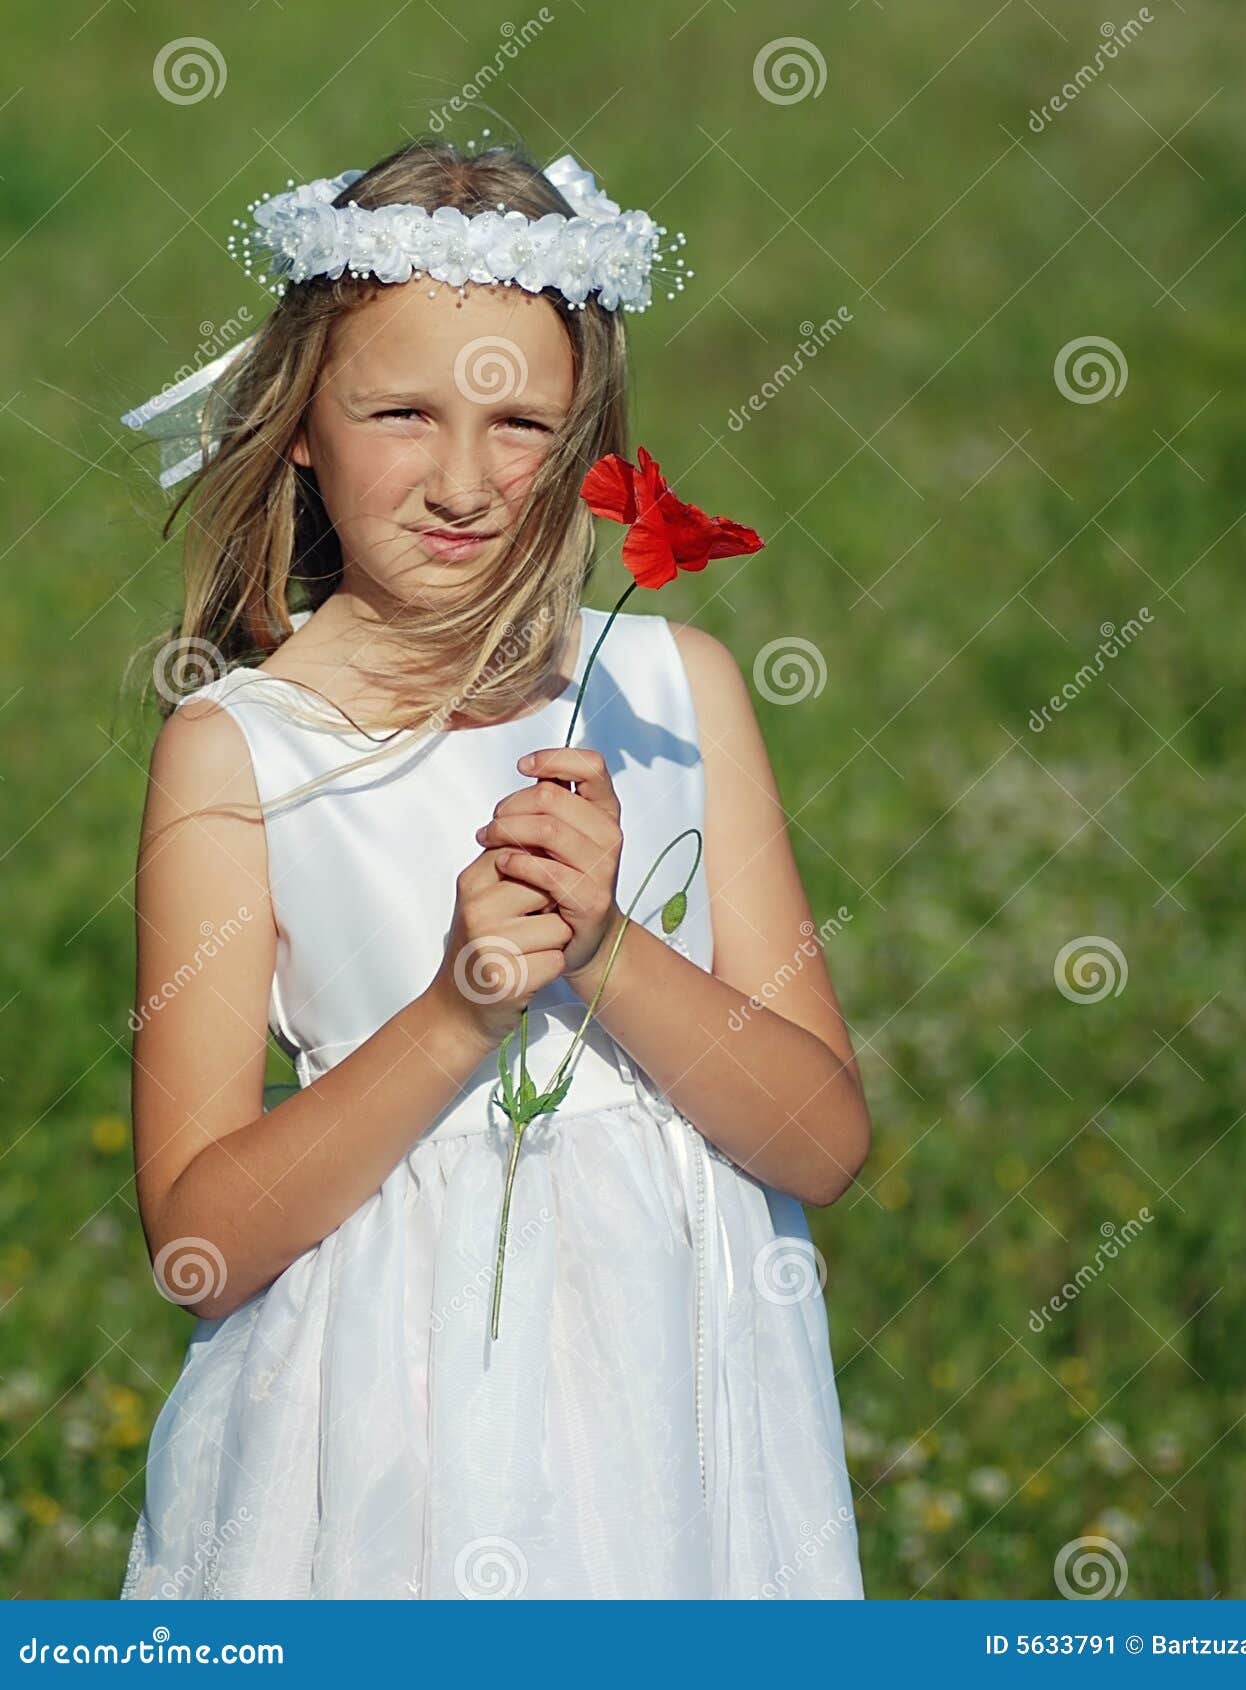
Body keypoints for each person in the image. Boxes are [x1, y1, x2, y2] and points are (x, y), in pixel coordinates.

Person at [118, 133, 871, 1600]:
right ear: (296, 429)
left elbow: (820, 1142)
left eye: (519, 423)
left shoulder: (674, 689)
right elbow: (197, 1237)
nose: (463, 479)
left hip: (682, 1449)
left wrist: (607, 950)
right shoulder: (240, 750)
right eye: (399, 410)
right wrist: (462, 1010)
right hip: (376, 1470)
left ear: (586, 448)